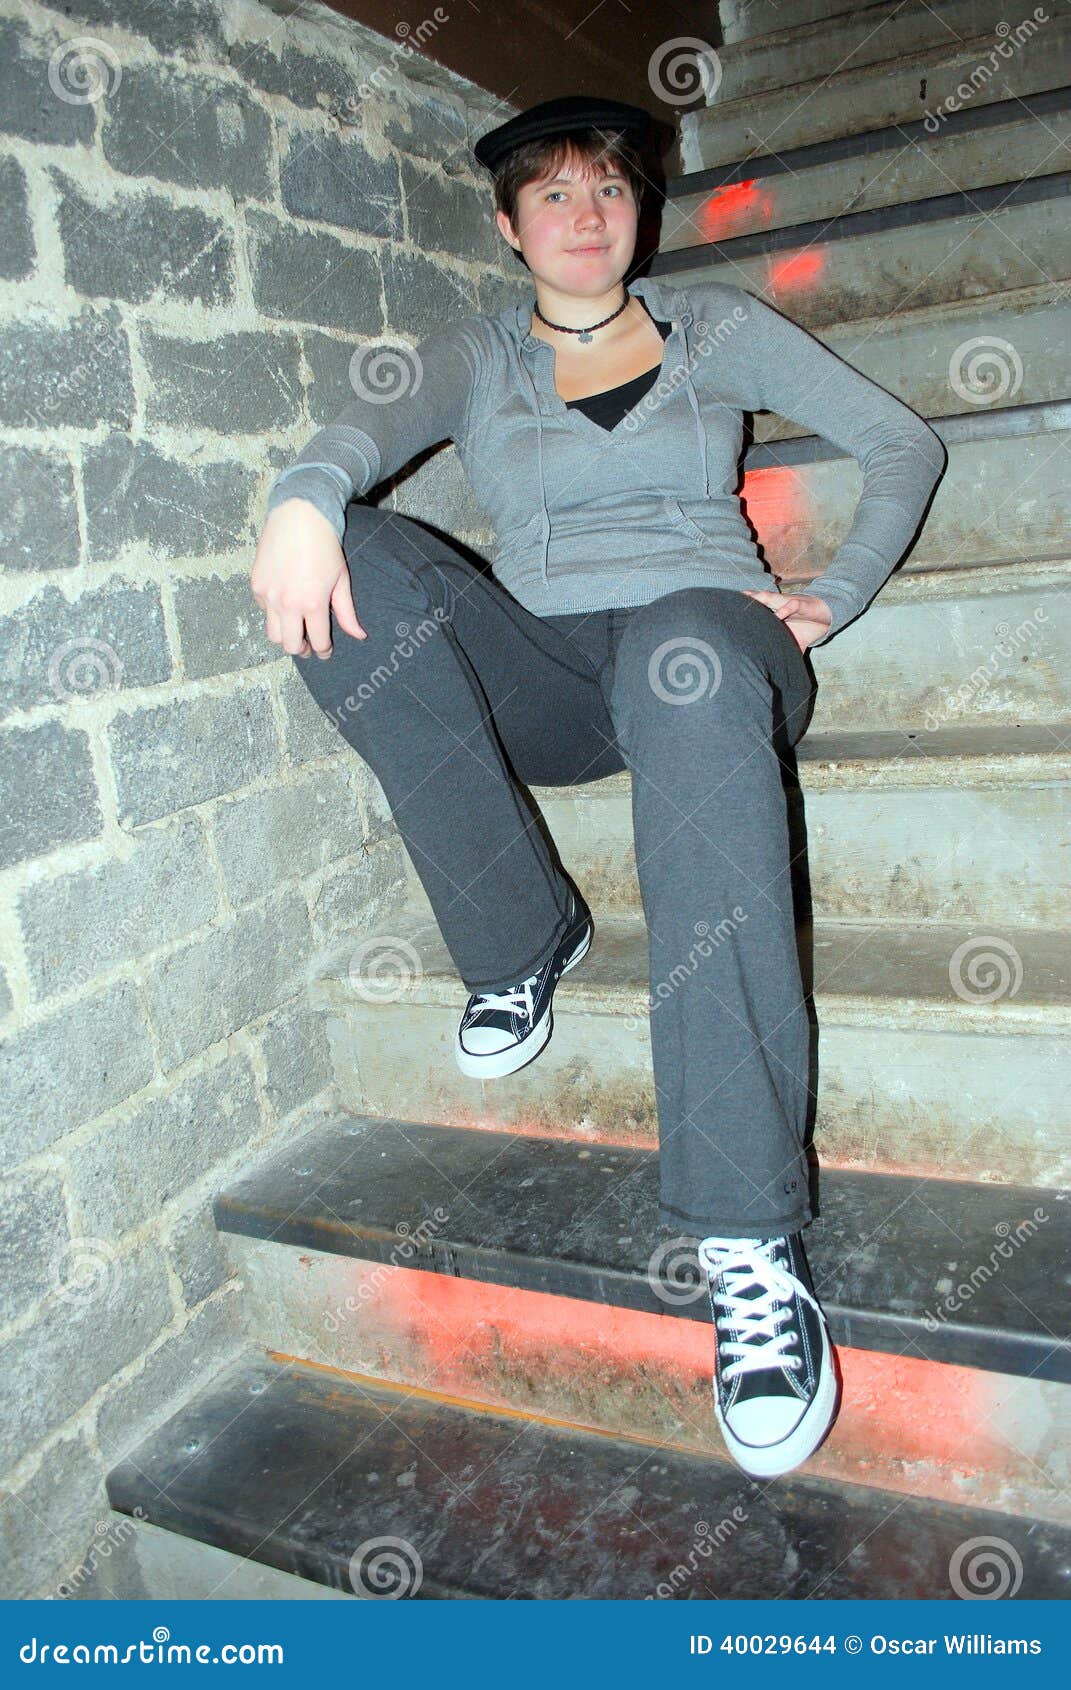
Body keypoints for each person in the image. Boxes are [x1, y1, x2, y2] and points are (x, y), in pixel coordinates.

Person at [249, 94, 947, 1479]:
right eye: (553, 195)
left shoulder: (722, 330)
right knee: (367, 561)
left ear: (642, 212)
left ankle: (750, 1243)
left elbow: (903, 444)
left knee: (688, 647)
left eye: (610, 189)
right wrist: (301, 499)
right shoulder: (478, 351)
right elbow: (354, 436)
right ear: (510, 228)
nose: (586, 213)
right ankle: (519, 936)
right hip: (558, 671)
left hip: (712, 646)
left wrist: (833, 596)